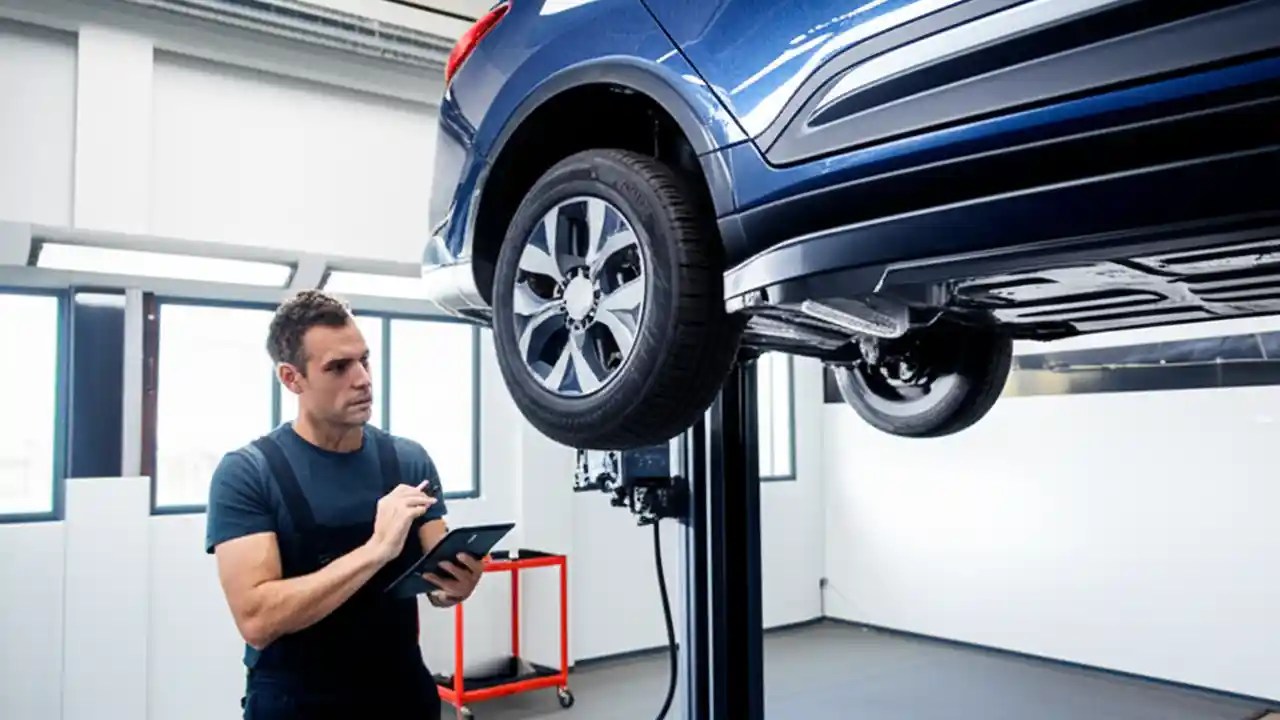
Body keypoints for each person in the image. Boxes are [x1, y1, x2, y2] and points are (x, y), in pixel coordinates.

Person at [205, 289, 484, 719]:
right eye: (338, 367)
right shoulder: (248, 473)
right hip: (297, 701)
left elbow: (438, 582)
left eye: (364, 360)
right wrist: (376, 551)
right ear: (291, 378)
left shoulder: (409, 460)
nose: (362, 379)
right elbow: (257, 620)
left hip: (400, 692)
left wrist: (455, 588)